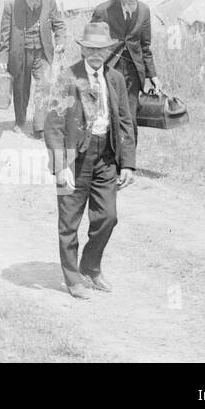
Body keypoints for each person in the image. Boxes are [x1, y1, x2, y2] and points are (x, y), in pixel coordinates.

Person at [43, 21, 136, 299]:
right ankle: (73, 278)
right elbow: (54, 124)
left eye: (102, 49)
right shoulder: (67, 77)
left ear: (109, 50)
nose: (96, 54)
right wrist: (61, 166)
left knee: (108, 217)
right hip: (74, 158)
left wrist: (128, 163)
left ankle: (91, 265)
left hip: (105, 158)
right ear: (83, 49)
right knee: (68, 223)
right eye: (90, 48)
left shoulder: (116, 79)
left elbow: (125, 122)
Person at [0, 0, 65, 138]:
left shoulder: (50, 2)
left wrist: (61, 41)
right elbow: (4, 35)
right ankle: (20, 121)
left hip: (42, 53)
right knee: (21, 89)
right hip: (19, 54)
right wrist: (3, 57)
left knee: (44, 85)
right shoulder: (11, 5)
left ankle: (39, 126)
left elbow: (59, 25)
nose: (34, 0)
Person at [90, 0, 158, 124]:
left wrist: (153, 76)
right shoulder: (103, 11)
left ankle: (130, 148)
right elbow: (92, 45)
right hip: (110, 68)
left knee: (130, 117)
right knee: (111, 114)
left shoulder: (144, 11)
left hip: (134, 70)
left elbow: (145, 46)